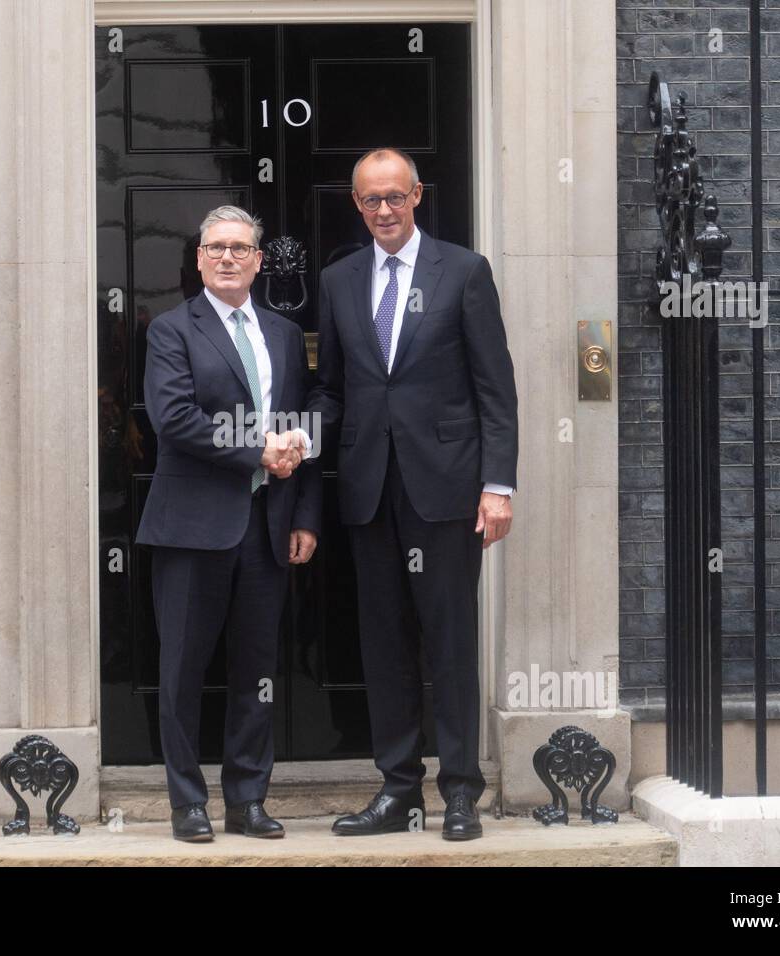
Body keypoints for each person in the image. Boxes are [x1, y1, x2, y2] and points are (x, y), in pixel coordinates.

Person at [302, 147, 519, 840]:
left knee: (450, 642)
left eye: (396, 196)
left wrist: (498, 486)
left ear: (418, 195)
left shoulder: (463, 271)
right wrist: (297, 441)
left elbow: (496, 389)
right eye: (372, 200)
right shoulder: (337, 281)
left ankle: (459, 792)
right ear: (356, 205)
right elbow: (333, 390)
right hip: (369, 494)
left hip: (448, 492)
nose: (385, 210)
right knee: (384, 645)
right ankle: (399, 791)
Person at [136, 204, 320, 842]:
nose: (227, 258)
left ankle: (247, 800)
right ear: (199, 258)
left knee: (257, 671)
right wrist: (256, 451)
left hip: (267, 528)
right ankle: (187, 802)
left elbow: (301, 423)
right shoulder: (171, 331)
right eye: (215, 247)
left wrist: (304, 514)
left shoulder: (284, 335)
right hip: (191, 529)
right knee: (182, 669)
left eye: (240, 248)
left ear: (259, 261)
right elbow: (174, 419)